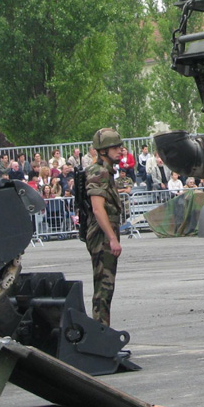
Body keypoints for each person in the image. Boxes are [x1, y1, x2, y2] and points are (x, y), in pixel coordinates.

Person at [85, 127, 125, 327]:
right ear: (103, 151)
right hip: (101, 236)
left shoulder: (105, 171)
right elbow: (98, 209)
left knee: (106, 288)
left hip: (104, 234)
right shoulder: (99, 172)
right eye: (115, 147)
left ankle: (102, 333)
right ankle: (100, 335)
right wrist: (112, 238)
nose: (120, 150)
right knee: (103, 288)